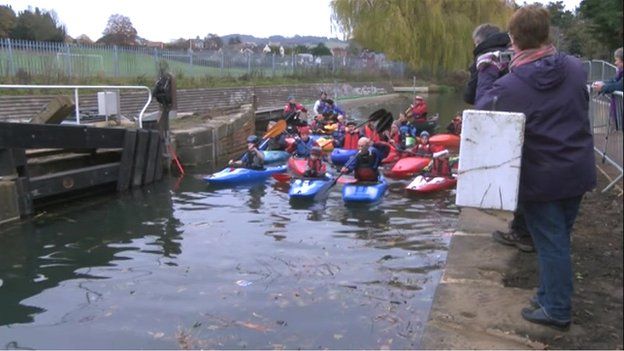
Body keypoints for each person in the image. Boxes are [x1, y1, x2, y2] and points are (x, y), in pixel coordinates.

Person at [475, 5, 596, 330]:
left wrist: (488, 69)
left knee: (552, 242)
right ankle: (547, 295)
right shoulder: (574, 68)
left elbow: (484, 109)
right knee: (556, 240)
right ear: (547, 33)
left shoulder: (512, 86)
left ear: (513, 40)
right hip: (577, 169)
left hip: (542, 177)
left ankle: (556, 309)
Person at [464, 24, 511, 105]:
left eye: (475, 44)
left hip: (491, 107)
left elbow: (470, 96)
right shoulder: (510, 54)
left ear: (478, 42)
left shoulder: (484, 58)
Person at [592, 47, 623, 130]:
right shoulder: (620, 72)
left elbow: (619, 86)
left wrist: (602, 87)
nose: (615, 63)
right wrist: (603, 84)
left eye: (617, 60)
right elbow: (613, 81)